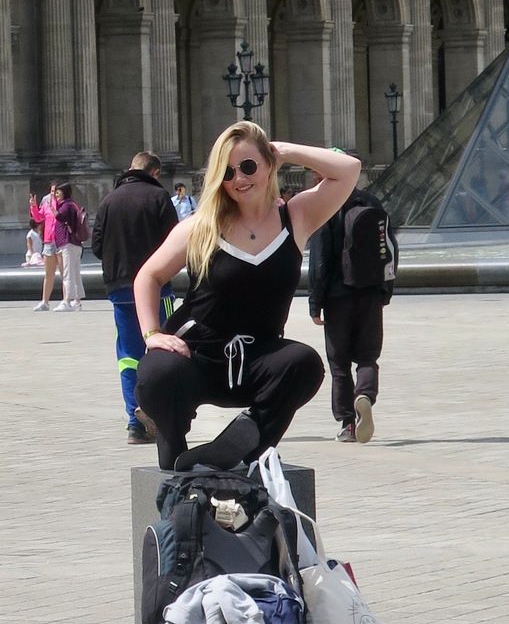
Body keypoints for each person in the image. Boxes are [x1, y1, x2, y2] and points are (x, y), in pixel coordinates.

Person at [134, 123, 360, 472]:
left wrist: (285, 149)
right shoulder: (200, 226)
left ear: (269, 164)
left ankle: (245, 441)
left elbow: (348, 171)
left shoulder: (295, 217)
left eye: (249, 166)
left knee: (304, 364)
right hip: (195, 358)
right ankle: (176, 450)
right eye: (227, 172)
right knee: (156, 374)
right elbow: (149, 275)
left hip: (257, 359)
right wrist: (153, 334)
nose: (239, 178)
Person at [92, 151, 179, 444]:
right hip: (157, 288)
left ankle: (134, 422)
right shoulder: (159, 197)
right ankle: (159, 412)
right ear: (155, 172)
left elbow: (96, 245)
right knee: (164, 349)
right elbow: (175, 242)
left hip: (120, 289)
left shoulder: (108, 200)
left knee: (128, 356)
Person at [307, 180, 397, 443]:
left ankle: (347, 424)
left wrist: (315, 302)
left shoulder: (326, 208)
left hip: (338, 297)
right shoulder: (372, 203)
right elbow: (390, 249)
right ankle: (365, 395)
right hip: (370, 292)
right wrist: (385, 289)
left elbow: (320, 260)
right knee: (368, 357)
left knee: (340, 364)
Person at [52, 182, 86, 311]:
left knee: (68, 273)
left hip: (68, 243)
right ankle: (77, 301)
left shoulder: (66, 206)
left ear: (64, 193)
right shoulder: (72, 204)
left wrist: (52, 208)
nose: (56, 195)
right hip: (75, 243)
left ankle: (67, 301)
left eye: (58, 193)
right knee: (75, 272)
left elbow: (60, 217)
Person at [31, 182, 62, 311]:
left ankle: (69, 300)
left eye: (55, 190)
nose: (52, 193)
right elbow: (38, 218)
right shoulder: (46, 202)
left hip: (61, 240)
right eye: (51, 190)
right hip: (49, 241)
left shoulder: (64, 203)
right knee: (48, 274)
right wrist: (33, 206)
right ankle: (45, 301)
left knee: (65, 273)